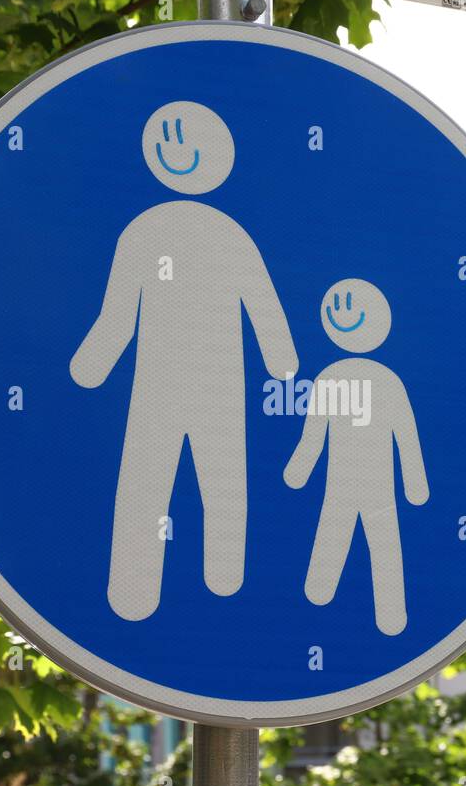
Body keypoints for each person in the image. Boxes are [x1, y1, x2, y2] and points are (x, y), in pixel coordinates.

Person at [71, 101, 298, 621]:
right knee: (210, 480)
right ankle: (213, 579)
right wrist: (281, 363)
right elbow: (120, 313)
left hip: (184, 387)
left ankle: (180, 586)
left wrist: (93, 365)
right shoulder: (181, 234)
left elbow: (261, 304)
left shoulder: (159, 232)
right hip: (190, 385)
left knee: (165, 480)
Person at [284, 279, 428, 635]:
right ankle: (378, 612)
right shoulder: (381, 380)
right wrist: (415, 485)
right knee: (378, 543)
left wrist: (298, 472)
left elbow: (405, 436)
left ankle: (324, 593)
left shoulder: (334, 379)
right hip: (361, 486)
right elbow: (405, 438)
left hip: (352, 485)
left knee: (353, 536)